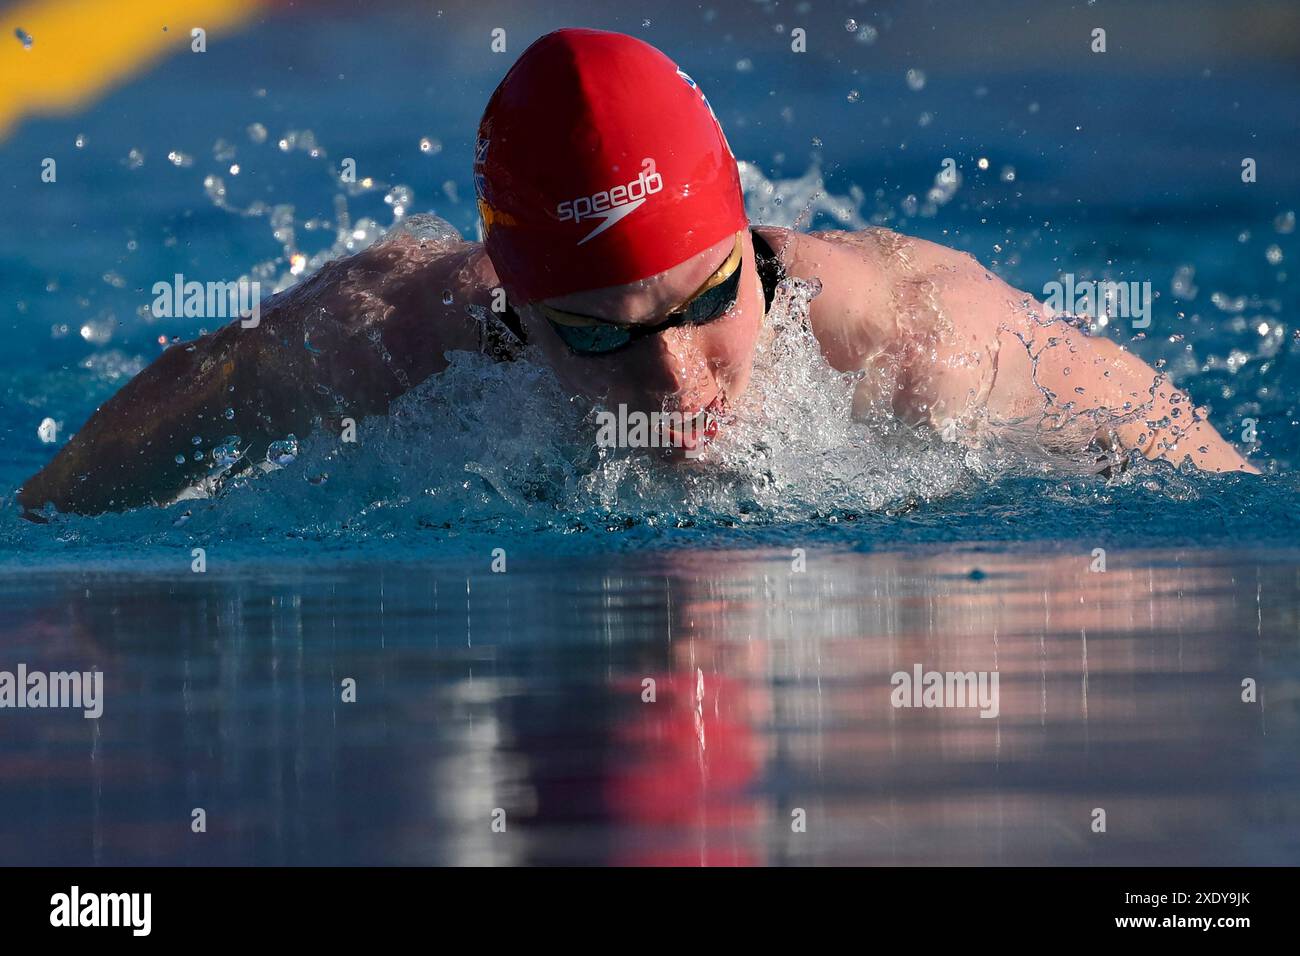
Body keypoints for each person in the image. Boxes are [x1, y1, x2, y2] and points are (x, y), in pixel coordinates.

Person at [17, 28, 1255, 517]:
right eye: (596, 336)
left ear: (748, 250)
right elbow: (58, 517)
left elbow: (1232, 501)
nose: (672, 374)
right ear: (512, 312)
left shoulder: (922, 343)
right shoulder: (385, 339)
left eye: (709, 300)